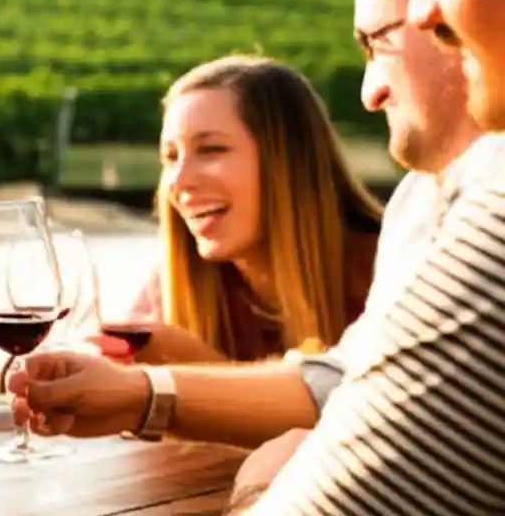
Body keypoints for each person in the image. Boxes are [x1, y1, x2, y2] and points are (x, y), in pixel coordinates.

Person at [23, 0, 505, 512]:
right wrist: (144, 393)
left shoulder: (487, 218)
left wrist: (275, 466)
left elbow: (358, 479)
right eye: (169, 157)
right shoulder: (425, 203)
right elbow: (346, 383)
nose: (432, 14)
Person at [122, 54, 382, 367]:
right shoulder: (168, 292)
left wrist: (203, 377)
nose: (179, 182)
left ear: (287, 163)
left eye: (211, 150)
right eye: (171, 158)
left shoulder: (387, 277)